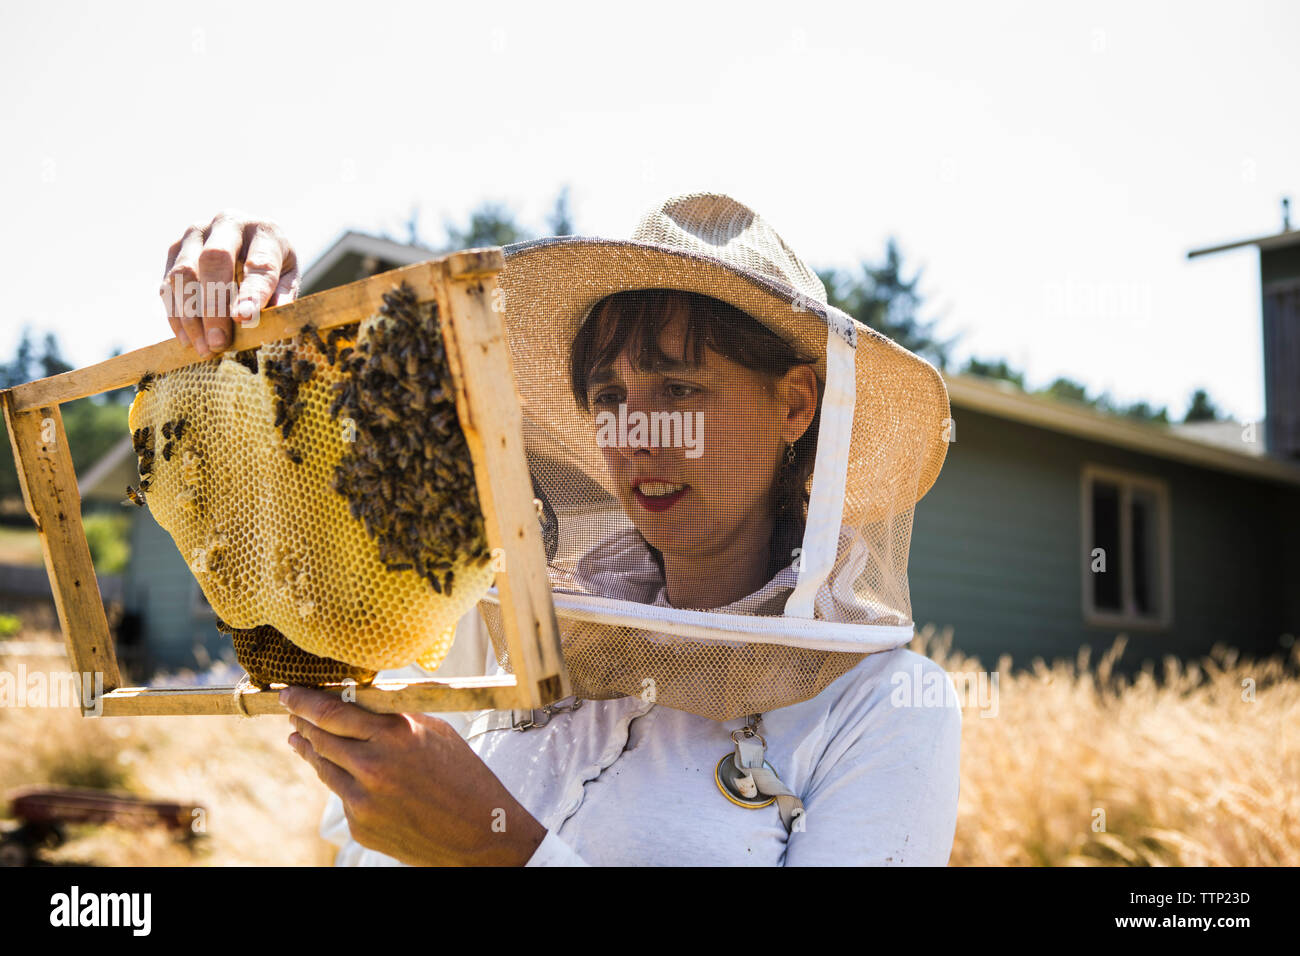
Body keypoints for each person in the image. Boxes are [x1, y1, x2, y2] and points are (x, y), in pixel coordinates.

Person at [158, 194, 962, 866]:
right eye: (609, 396)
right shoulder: (493, 632)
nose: (636, 435)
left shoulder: (886, 706)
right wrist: (251, 321)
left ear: (794, 404)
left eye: (679, 390)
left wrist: (496, 849)